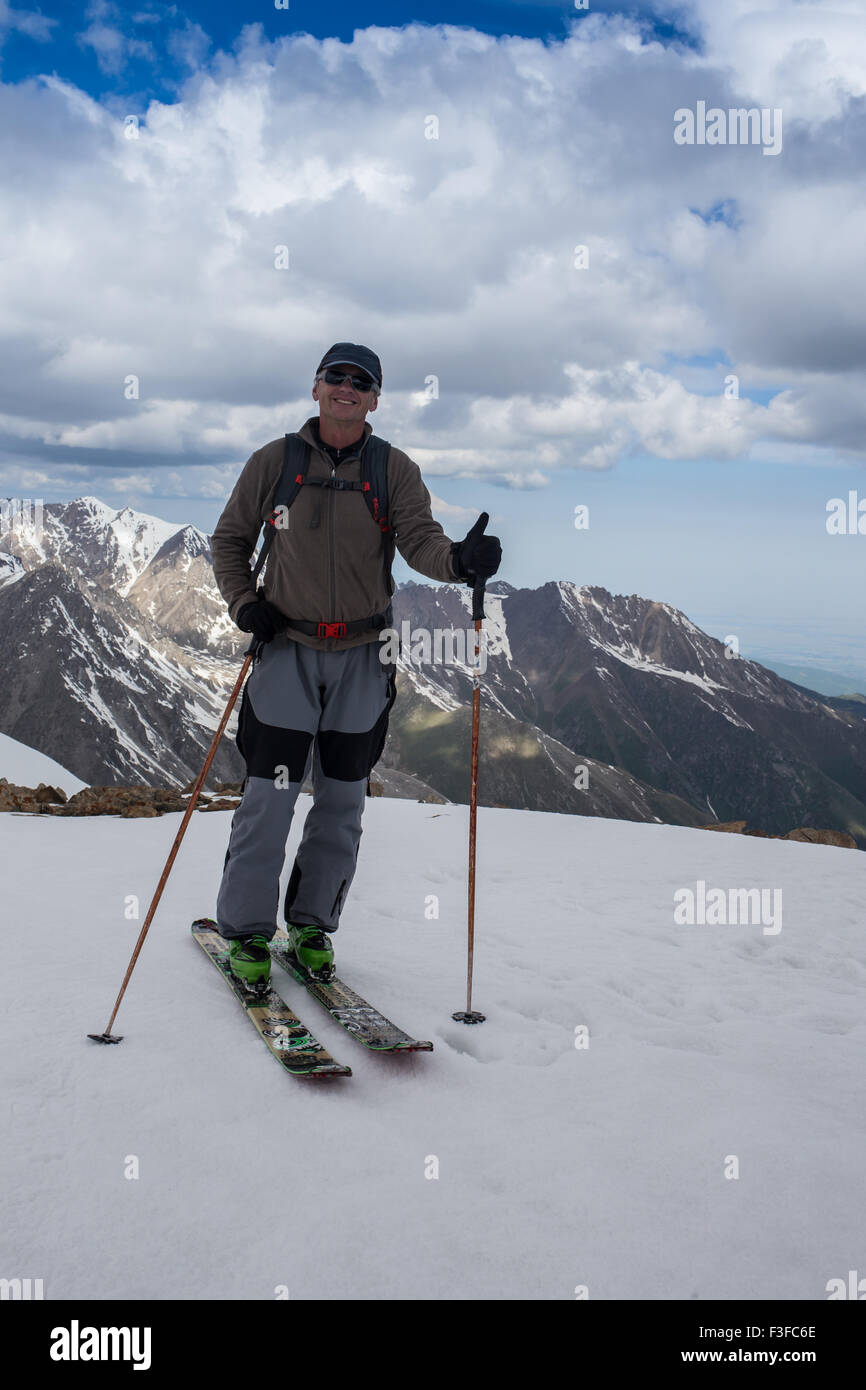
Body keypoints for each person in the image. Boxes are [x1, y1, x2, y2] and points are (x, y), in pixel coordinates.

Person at [210, 342, 502, 989]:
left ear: (374, 398)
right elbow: (230, 540)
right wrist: (244, 605)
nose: (346, 388)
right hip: (286, 650)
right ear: (316, 389)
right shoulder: (275, 463)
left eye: (360, 381)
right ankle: (249, 935)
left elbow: (421, 541)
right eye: (335, 377)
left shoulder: (392, 470)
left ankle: (312, 926)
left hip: (363, 662)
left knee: (342, 802)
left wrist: (461, 562)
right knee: (269, 800)